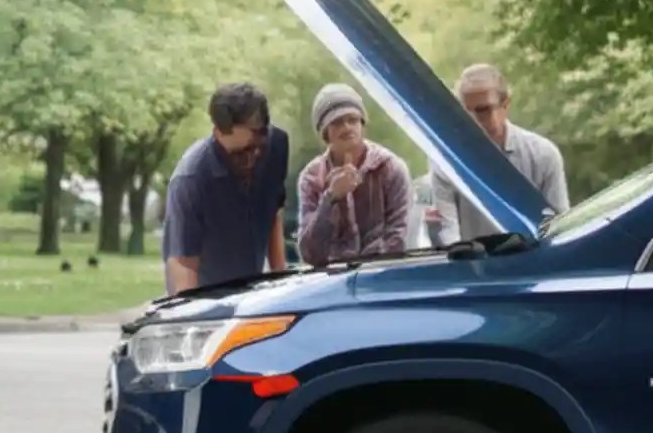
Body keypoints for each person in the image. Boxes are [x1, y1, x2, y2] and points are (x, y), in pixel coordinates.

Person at [160, 82, 289, 295]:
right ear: (218, 133)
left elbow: (273, 212)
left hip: (251, 290)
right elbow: (183, 263)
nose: (251, 159)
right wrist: (191, 316)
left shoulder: (277, 145)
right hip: (205, 296)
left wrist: (280, 278)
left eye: (258, 147)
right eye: (241, 152)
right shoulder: (191, 179)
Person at [431, 63, 569, 245]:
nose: (472, 120)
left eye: (482, 110)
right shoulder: (445, 161)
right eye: (465, 112)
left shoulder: (543, 154)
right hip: (475, 266)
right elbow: (448, 231)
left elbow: (558, 225)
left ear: (505, 105)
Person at [297, 83, 413, 267]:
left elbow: (397, 237)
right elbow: (310, 254)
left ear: (362, 124)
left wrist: (365, 271)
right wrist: (331, 198)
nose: (347, 127)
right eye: (336, 122)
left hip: (379, 276)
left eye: (353, 120)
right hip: (330, 282)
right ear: (324, 132)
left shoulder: (390, 168)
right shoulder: (311, 177)